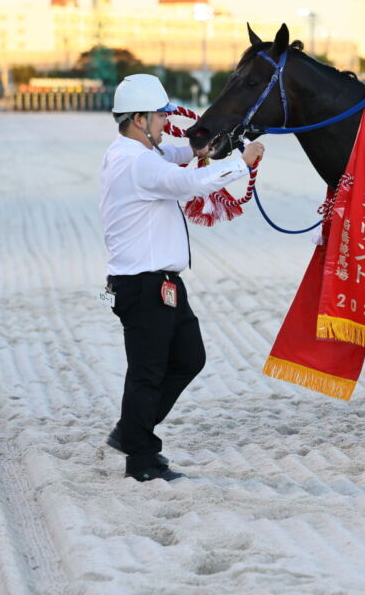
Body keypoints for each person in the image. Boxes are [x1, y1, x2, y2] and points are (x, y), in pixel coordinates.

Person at [99, 73, 264, 482]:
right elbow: (188, 183)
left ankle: (132, 431)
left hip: (161, 284)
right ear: (139, 120)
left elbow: (172, 157)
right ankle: (141, 459)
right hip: (143, 286)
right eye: (159, 115)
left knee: (190, 358)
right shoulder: (137, 163)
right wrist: (240, 164)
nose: (165, 121)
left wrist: (194, 148)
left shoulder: (134, 153)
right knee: (147, 373)